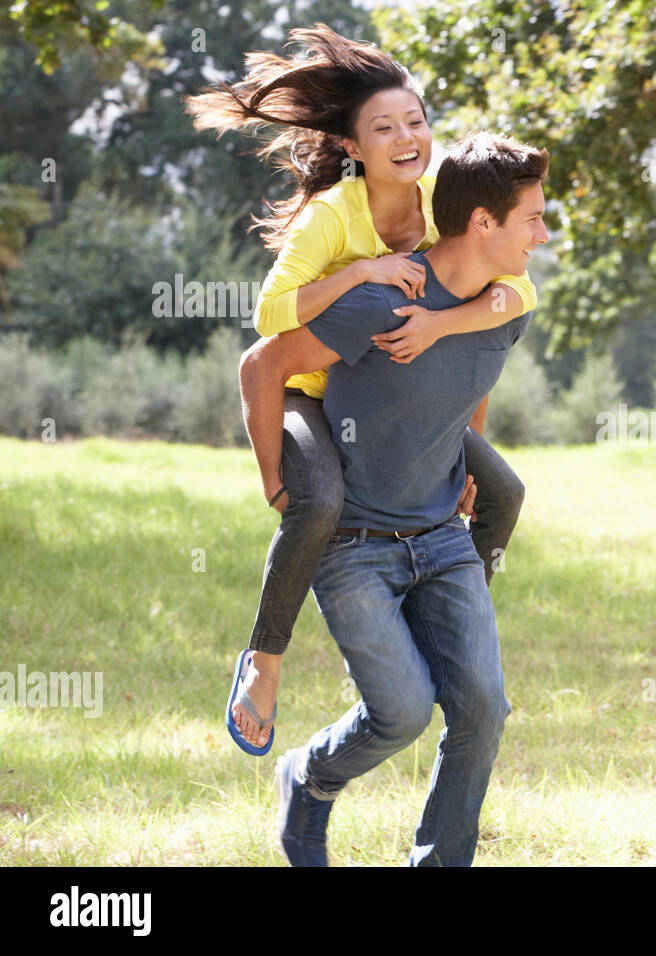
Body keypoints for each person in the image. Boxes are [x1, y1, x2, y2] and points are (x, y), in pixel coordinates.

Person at [186, 25, 537, 755]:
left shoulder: (445, 196)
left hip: (395, 394)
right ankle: (264, 661)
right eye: (384, 127)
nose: (407, 137)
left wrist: (446, 341)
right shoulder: (332, 218)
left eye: (415, 121)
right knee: (321, 501)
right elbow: (266, 325)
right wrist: (357, 273)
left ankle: (444, 627)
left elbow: (510, 295)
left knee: (501, 491)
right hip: (308, 389)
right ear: (352, 146)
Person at [239, 131, 549, 866]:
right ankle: (309, 778)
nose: (543, 234)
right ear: (483, 224)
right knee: (403, 713)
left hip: (442, 536)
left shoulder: (510, 306)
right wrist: (277, 478)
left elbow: (471, 384)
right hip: (353, 546)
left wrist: (463, 450)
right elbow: (265, 364)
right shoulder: (384, 299)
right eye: (533, 218)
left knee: (482, 710)